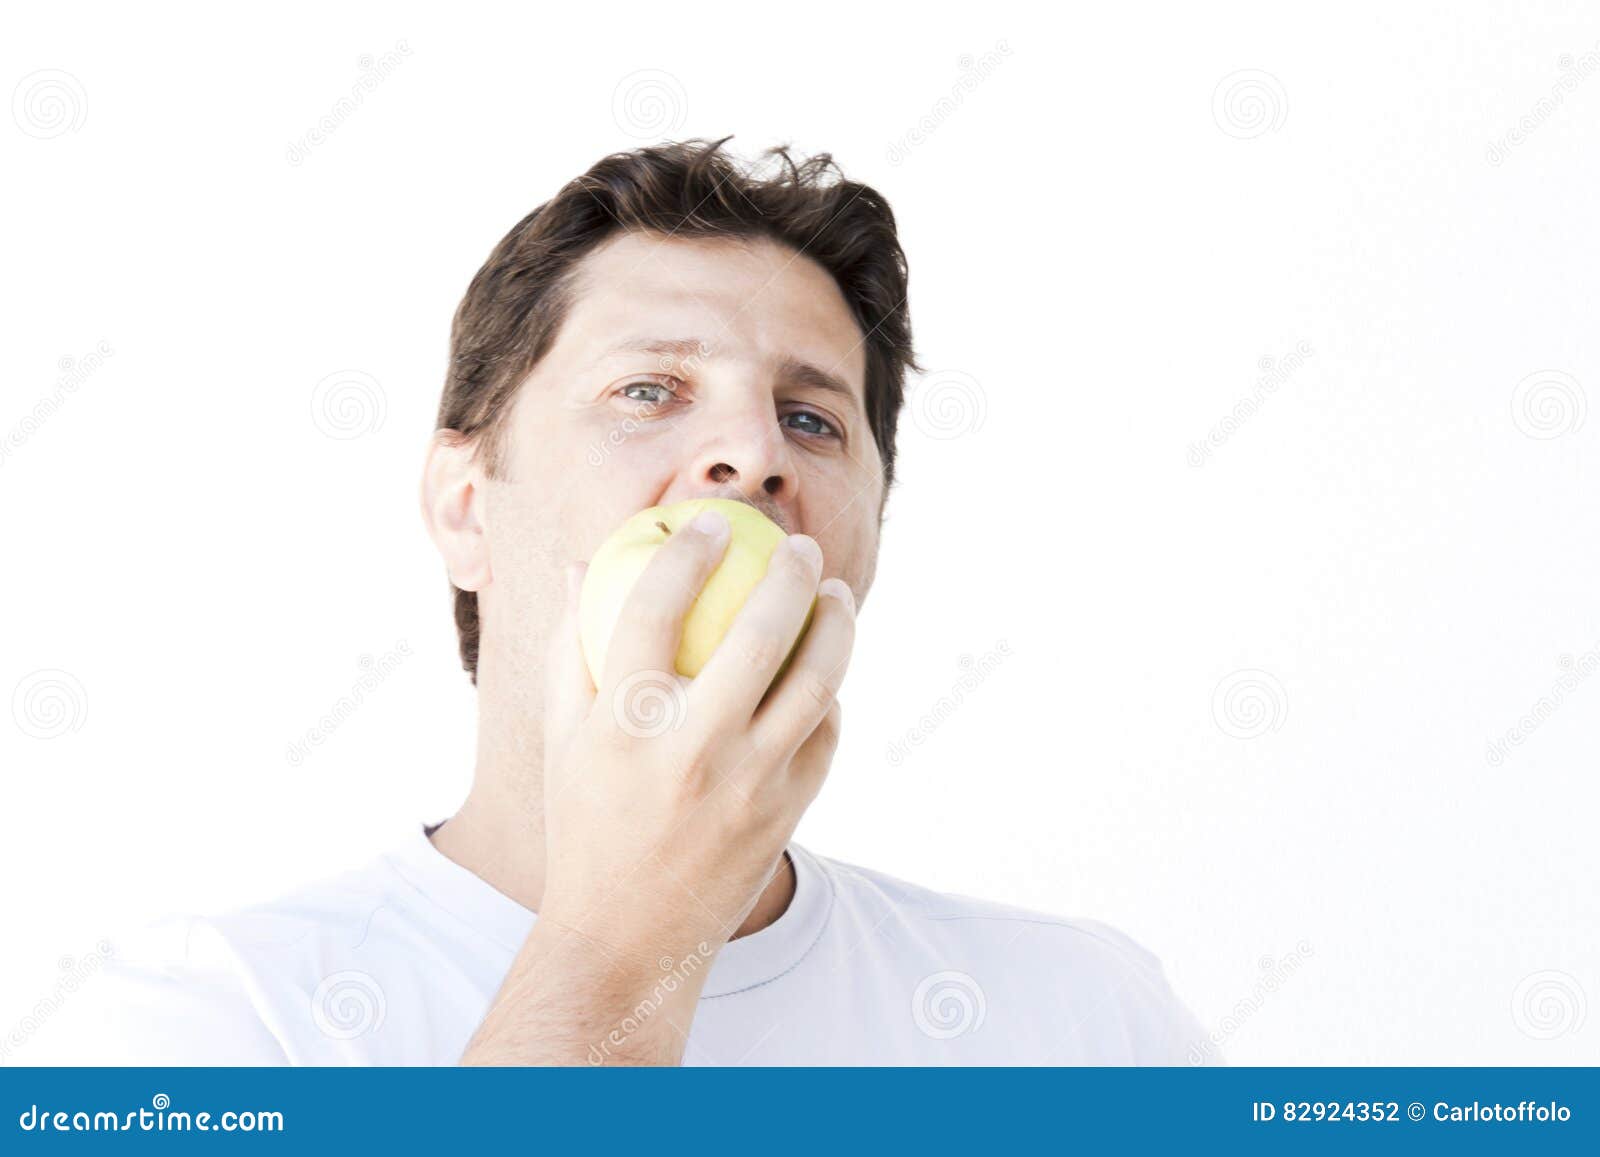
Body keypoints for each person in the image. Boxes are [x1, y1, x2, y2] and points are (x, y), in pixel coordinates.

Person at [31, 139, 1209, 1065]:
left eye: (812, 417)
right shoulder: (200, 1023)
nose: (751, 454)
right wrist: (619, 942)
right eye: (650, 389)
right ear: (463, 504)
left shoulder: (1082, 1022)